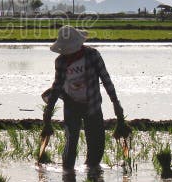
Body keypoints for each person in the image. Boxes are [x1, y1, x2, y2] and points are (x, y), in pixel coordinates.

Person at [42, 25, 125, 171]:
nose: (67, 54)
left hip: (92, 104)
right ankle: (68, 176)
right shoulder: (60, 62)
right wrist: (47, 116)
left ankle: (92, 175)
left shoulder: (92, 55)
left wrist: (116, 104)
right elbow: (57, 86)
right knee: (71, 141)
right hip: (71, 105)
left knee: (96, 144)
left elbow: (106, 79)